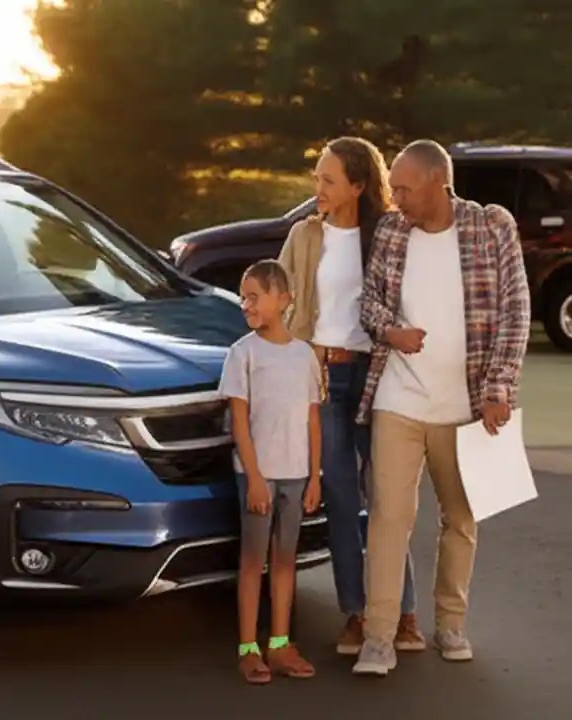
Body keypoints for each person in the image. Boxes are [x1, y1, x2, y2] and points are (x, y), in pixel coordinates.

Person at [352, 140, 530, 676]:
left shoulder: (491, 228)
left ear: (437, 182)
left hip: (468, 408)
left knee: (462, 519)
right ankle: (378, 639)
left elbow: (515, 312)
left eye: (404, 187)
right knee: (388, 518)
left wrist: (499, 387)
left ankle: (450, 623)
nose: (396, 197)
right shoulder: (391, 231)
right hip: (398, 401)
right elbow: (370, 302)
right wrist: (391, 330)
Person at [277, 137, 422, 656]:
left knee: (385, 500)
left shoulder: (386, 235)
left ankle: (402, 612)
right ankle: (357, 614)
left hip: (376, 377)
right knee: (340, 498)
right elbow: (282, 301)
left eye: (328, 180)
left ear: (358, 186)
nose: (318, 188)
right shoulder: (303, 235)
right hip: (322, 379)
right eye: (316, 177)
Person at [218, 259, 323, 684]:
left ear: (283, 299)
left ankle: (280, 643)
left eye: (255, 296)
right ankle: (248, 648)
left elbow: (313, 421)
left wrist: (315, 477)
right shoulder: (242, 354)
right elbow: (239, 422)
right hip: (258, 477)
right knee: (252, 561)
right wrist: (254, 477)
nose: (247, 304)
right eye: (243, 297)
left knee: (285, 560)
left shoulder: (304, 357)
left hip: (296, 476)